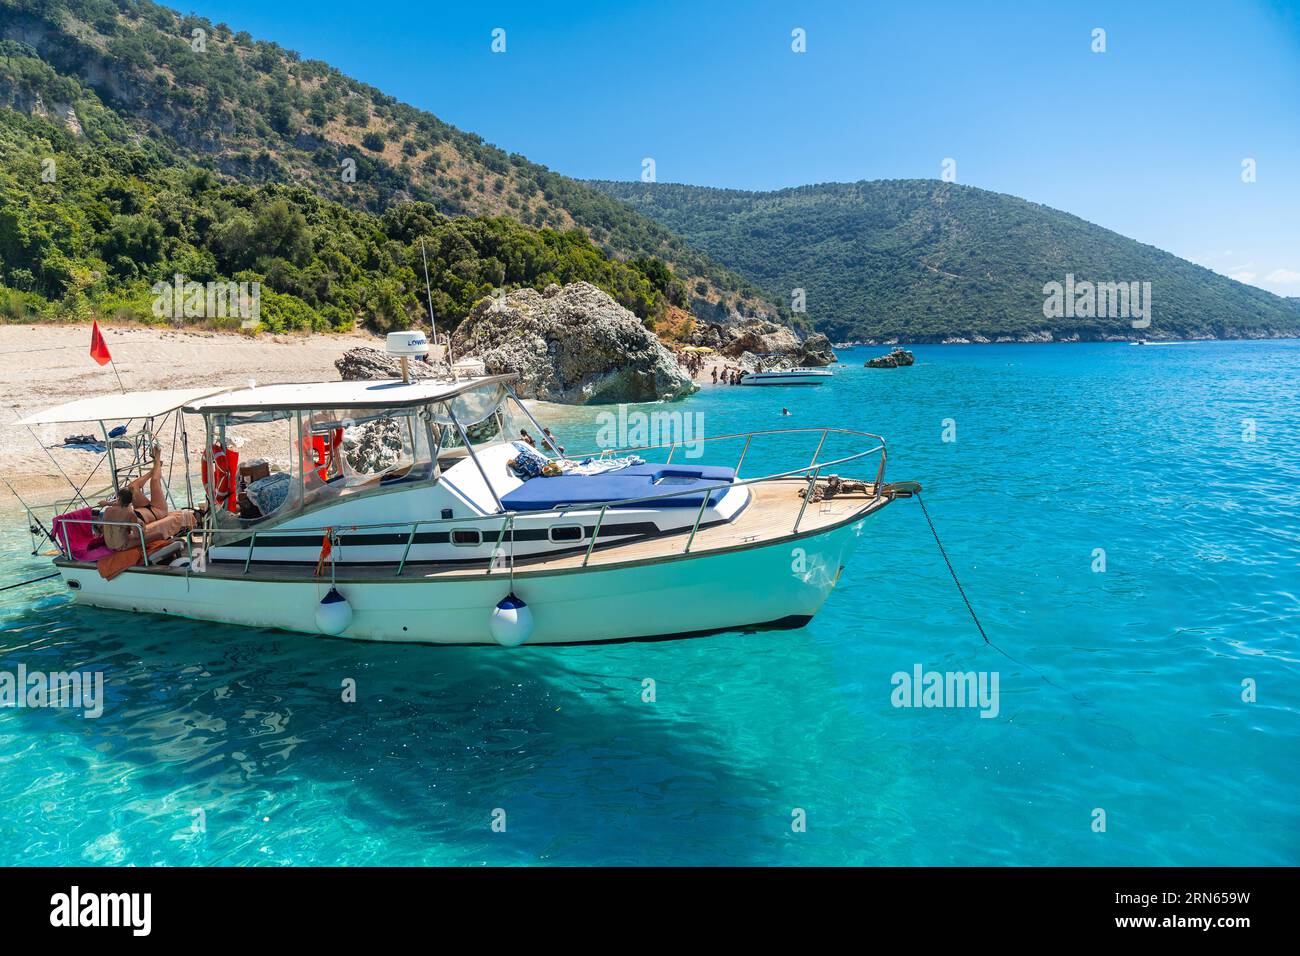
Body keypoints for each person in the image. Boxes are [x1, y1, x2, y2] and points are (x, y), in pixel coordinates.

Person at [99, 447, 197, 552]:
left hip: (143, 509)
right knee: (155, 481)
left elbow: (118, 505)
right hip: (158, 511)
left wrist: (107, 503)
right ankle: (157, 459)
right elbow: (138, 535)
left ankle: (155, 468)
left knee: (132, 486)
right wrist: (141, 526)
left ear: (119, 499)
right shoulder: (128, 513)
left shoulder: (112, 509)